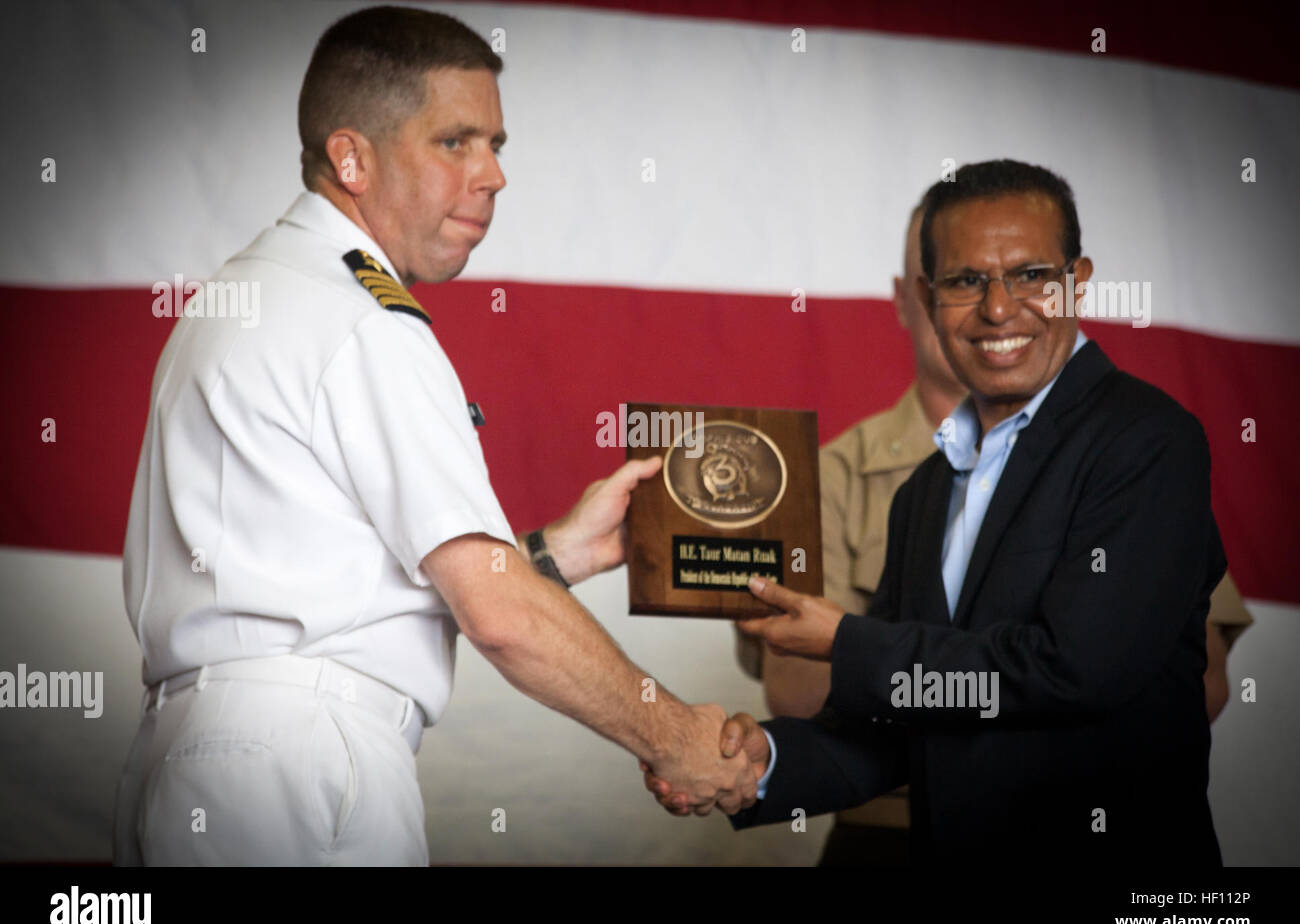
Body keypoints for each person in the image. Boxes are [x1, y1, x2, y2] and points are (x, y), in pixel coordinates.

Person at [115, 6, 754, 866]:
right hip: (297, 763)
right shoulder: (358, 319)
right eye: (456, 142)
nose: (493, 175)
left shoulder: (258, 291)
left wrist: (551, 555)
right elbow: (498, 617)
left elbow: (349, 577)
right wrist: (675, 733)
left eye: (496, 144)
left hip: (220, 755)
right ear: (352, 158)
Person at [651, 159, 1229, 866]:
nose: (997, 308)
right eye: (964, 281)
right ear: (926, 298)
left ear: (1076, 282)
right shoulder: (925, 490)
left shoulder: (1148, 441)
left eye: (1030, 275)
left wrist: (847, 642)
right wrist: (759, 766)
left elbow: (1079, 671)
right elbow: (907, 720)